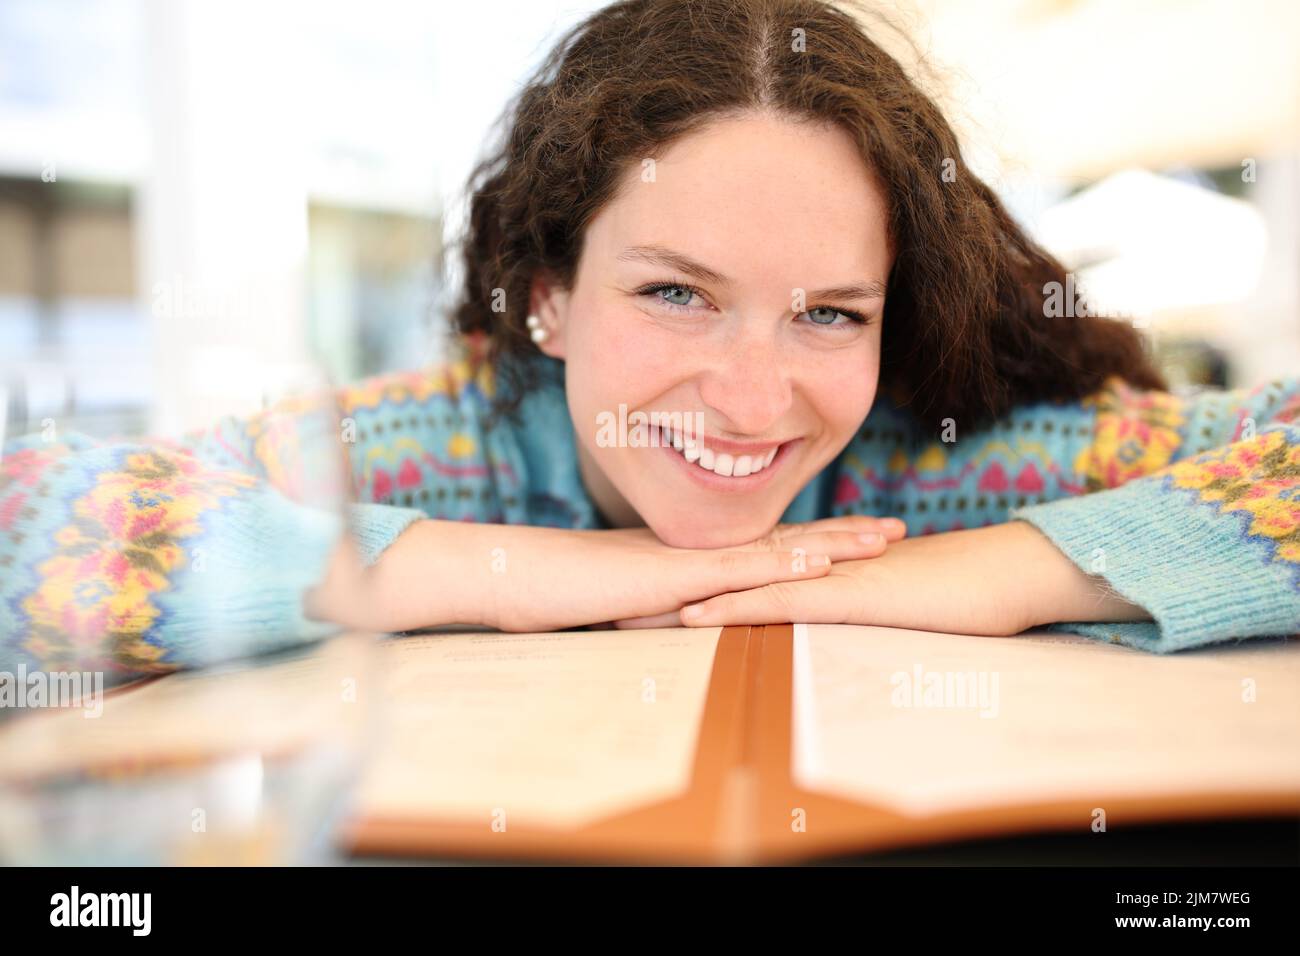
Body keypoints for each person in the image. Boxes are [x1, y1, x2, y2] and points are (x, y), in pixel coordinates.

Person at [2, 0, 1296, 686]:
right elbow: (26, 521)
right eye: (677, 293)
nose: (749, 399)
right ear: (546, 296)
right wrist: (541, 576)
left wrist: (984, 577)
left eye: (830, 313)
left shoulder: (955, 463)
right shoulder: (432, 445)